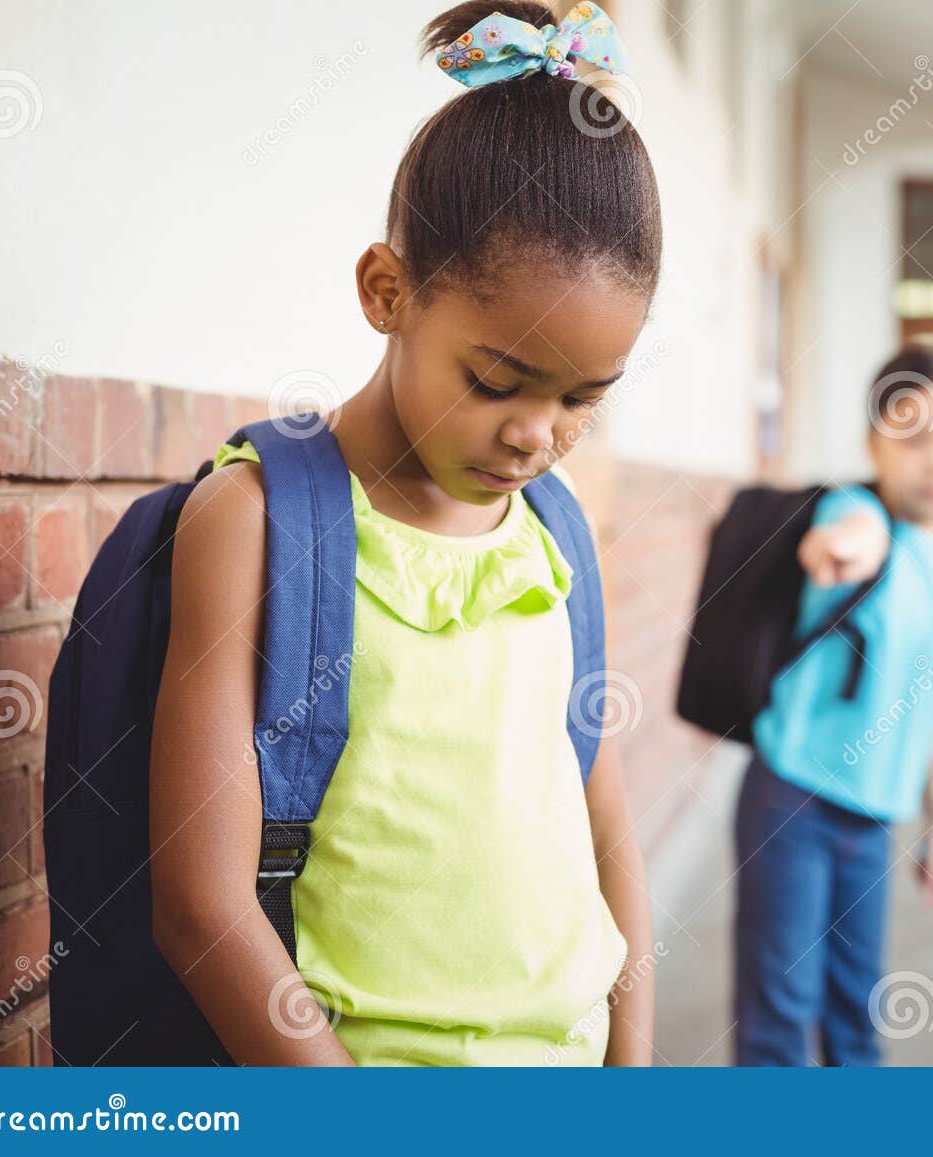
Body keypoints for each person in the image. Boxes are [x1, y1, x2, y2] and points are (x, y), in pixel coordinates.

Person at [148, 1, 661, 1066]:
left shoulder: (554, 531)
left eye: (583, 399)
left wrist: (634, 1057)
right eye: (496, 381)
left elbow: (603, 823)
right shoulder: (258, 523)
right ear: (388, 291)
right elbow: (200, 906)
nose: (535, 436)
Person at [734, 346, 933, 1065]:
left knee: (857, 1011)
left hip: (875, 817)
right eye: (912, 437)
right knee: (779, 1010)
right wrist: (837, 549)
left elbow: (932, 704)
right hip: (792, 803)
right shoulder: (859, 513)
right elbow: (848, 536)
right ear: (873, 444)